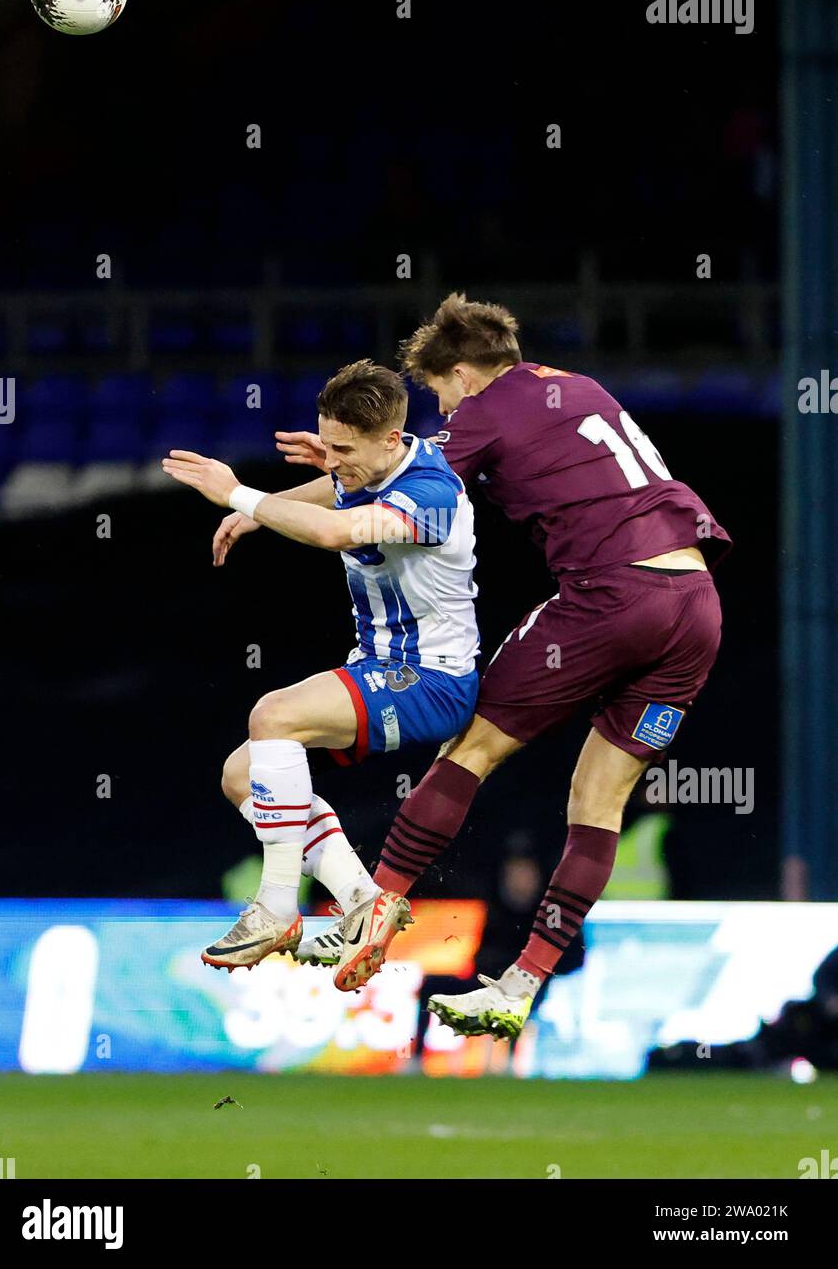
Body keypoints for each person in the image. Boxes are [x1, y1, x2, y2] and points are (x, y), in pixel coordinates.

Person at [275, 293, 731, 1034]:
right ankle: (521, 982)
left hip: (613, 595)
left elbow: (386, 482)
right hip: (696, 604)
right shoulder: (581, 388)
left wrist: (259, 499)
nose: (444, 412)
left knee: (472, 750)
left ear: (462, 373)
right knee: (598, 802)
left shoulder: (487, 408)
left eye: (441, 394)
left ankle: (375, 909)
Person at [161, 359, 480, 992]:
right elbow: (341, 491)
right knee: (242, 774)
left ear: (390, 439)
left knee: (272, 715)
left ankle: (278, 906)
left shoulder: (431, 493)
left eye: (342, 449)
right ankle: (365, 903)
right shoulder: (376, 466)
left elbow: (339, 528)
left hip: (431, 680)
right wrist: (269, 509)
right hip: (382, 667)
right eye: (325, 445)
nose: (329, 460)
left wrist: (240, 495)